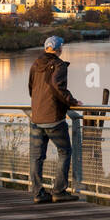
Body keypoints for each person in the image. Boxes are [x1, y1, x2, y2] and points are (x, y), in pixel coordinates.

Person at [28, 35, 82, 204]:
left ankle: (38, 193)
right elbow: (58, 87)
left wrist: (38, 104)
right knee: (65, 152)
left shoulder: (35, 64)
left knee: (37, 157)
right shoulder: (58, 65)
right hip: (53, 117)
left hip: (36, 116)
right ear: (58, 49)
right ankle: (58, 191)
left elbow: (31, 88)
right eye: (61, 48)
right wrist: (73, 102)